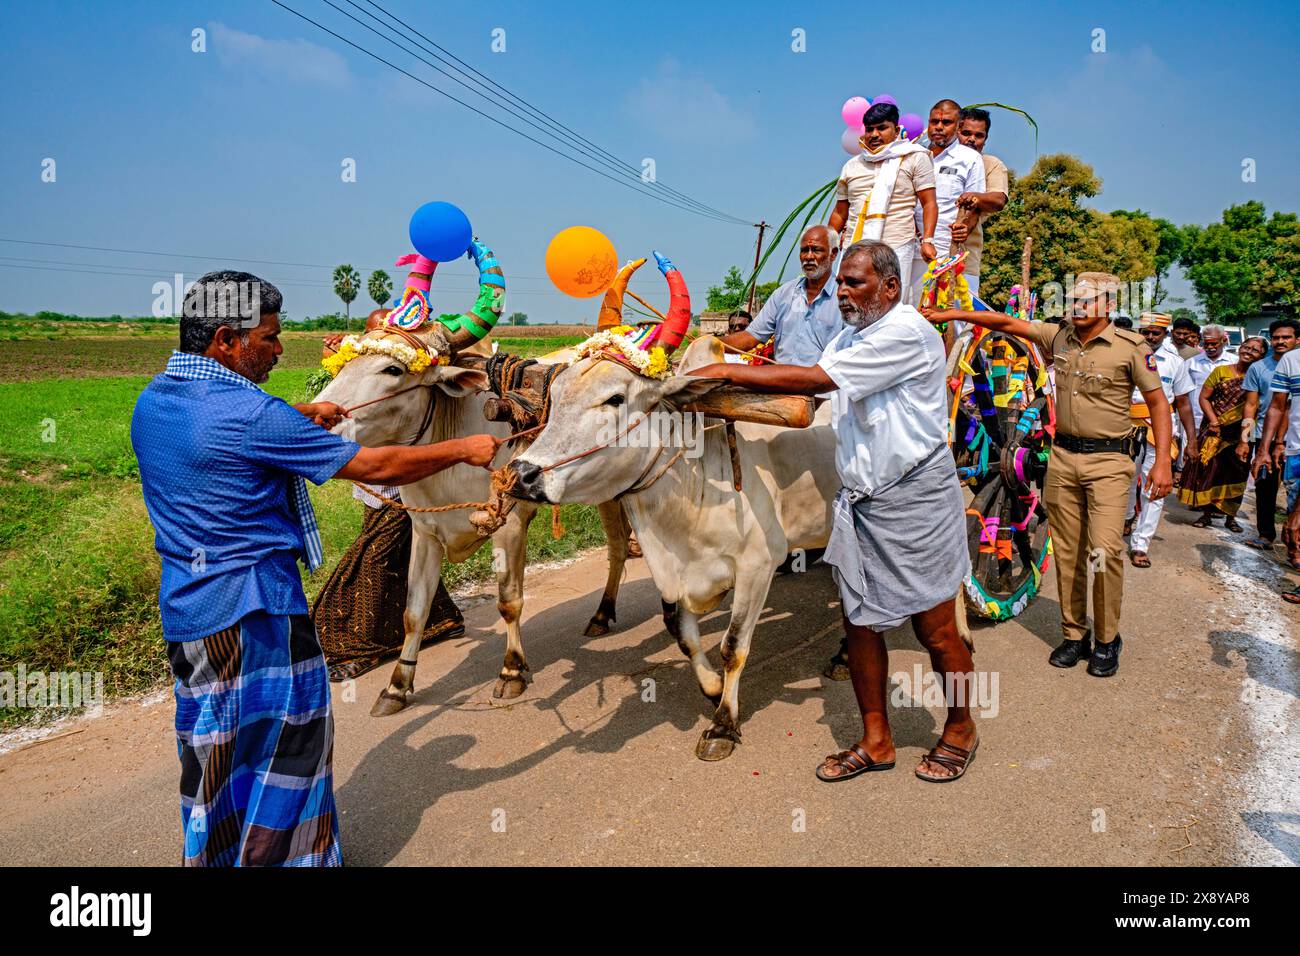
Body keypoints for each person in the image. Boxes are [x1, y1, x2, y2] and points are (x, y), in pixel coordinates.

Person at [131, 271, 501, 866]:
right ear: (226, 340)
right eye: (270, 338)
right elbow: (376, 466)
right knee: (291, 742)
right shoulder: (254, 416)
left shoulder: (157, 400)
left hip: (189, 611)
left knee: (213, 749)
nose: (281, 349)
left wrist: (303, 413)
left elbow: (226, 433)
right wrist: (463, 449)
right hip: (257, 610)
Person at [689, 240, 978, 783]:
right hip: (861, 501)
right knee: (860, 625)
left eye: (854, 283)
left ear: (890, 287)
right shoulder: (854, 334)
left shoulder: (905, 333)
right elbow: (809, 384)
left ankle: (961, 727)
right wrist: (724, 365)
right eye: (841, 283)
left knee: (936, 629)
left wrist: (722, 375)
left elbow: (814, 380)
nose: (841, 291)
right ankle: (877, 741)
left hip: (914, 496)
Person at [925, 273, 1171, 677]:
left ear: (1107, 306)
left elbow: (1158, 404)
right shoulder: (1058, 337)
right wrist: (951, 312)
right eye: (1073, 299)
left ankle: (1107, 639)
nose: (1076, 306)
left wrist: (1162, 462)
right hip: (1062, 459)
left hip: (1109, 462)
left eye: (1086, 301)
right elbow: (1005, 324)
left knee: (1104, 551)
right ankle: (1075, 635)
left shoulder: (1130, 347)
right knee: (1070, 552)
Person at [314, 311, 466, 680]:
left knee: (376, 560)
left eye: (386, 331)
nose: (379, 336)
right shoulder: (366, 361)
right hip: (372, 481)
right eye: (373, 333)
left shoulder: (414, 367)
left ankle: (359, 645)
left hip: (404, 483)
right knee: (404, 556)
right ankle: (439, 620)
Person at [829, 102, 937, 305]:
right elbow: (839, 213)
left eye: (882, 128)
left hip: (896, 244)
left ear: (896, 130)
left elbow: (929, 202)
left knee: (892, 304)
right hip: (855, 247)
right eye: (869, 129)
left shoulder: (915, 157)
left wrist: (928, 240)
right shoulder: (852, 166)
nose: (874, 134)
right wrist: (828, 246)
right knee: (850, 304)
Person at [1125, 313, 1198, 568]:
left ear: (1165, 334)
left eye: (1156, 333)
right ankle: (1125, 518)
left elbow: (1184, 404)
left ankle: (1141, 544)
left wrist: (1192, 440)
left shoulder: (1176, 362)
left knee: (1154, 486)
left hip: (1160, 429)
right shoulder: (1124, 356)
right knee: (1125, 480)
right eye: (1145, 331)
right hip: (1125, 427)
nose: (1150, 337)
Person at [1177, 336, 1268, 531]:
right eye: (1246, 347)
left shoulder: (1259, 376)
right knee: (1210, 471)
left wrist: (1245, 439)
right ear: (1239, 347)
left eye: (1255, 350)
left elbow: (1254, 407)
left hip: (1246, 429)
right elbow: (1204, 398)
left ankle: (1230, 518)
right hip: (1214, 428)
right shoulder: (1221, 371)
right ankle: (1206, 514)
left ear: (1262, 356)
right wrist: (1214, 421)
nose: (1248, 352)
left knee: (1238, 472)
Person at [720, 225, 844, 365]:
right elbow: (750, 337)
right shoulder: (784, 294)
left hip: (824, 385)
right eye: (804, 250)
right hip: (781, 383)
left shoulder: (845, 297)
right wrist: (707, 343)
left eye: (816, 250)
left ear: (833, 254)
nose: (808, 256)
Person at [910, 99, 985, 304]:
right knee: (910, 314)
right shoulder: (914, 153)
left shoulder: (969, 158)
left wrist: (966, 227)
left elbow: (975, 203)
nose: (939, 127)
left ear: (959, 126)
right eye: (935, 121)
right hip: (909, 249)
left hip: (945, 251)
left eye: (946, 123)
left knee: (948, 317)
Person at [1237, 318, 1300, 552]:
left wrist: (1281, 442)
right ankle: (1265, 534)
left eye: (1286, 337)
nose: (1281, 342)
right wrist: (1245, 439)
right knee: (1265, 484)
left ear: (1297, 339)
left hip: (1293, 438)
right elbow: (1250, 406)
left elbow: (1289, 407)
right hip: (1264, 435)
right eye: (1276, 338)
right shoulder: (1259, 368)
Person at [952, 107, 1009, 297]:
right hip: (926, 255)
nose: (971, 140)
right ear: (955, 131)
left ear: (986, 138)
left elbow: (998, 200)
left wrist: (972, 198)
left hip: (965, 260)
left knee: (960, 321)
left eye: (979, 135)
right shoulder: (934, 159)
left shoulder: (991, 164)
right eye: (966, 133)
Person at [1256, 339, 1300, 572]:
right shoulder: (1291, 360)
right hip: (1295, 449)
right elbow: (1278, 406)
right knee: (1295, 517)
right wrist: (1267, 448)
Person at [1184, 324, 1235, 430]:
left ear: (1224, 341)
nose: (1209, 347)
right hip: (1196, 419)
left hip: (1227, 420)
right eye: (1206, 344)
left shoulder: (1235, 362)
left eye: (1214, 344)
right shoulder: (1191, 363)